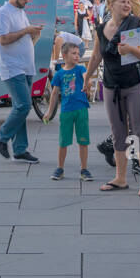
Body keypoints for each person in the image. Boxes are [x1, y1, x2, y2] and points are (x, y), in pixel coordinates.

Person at [85, 0, 140, 195]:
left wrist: (132, 49)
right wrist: (87, 77)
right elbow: (96, 56)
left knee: (139, 131)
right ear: (111, 5)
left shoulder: (135, 24)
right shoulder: (101, 28)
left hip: (134, 84)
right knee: (118, 133)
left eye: (128, 2)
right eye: (122, 2)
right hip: (111, 85)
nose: (127, 5)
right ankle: (121, 178)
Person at [0, 0, 43, 163]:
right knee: (24, 105)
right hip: (12, 67)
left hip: (25, 66)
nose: (27, 1)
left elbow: (24, 40)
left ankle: (20, 149)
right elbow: (3, 39)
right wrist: (27, 30)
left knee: (20, 107)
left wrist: (33, 35)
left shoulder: (21, 12)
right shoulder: (2, 13)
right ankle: (1, 136)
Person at [45, 40, 93, 181]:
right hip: (66, 111)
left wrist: (87, 83)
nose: (77, 56)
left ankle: (84, 169)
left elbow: (86, 78)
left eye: (78, 53)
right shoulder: (59, 74)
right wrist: (49, 112)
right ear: (64, 55)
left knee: (83, 140)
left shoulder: (81, 69)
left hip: (81, 110)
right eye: (74, 53)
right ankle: (60, 168)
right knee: (63, 141)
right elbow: (54, 94)